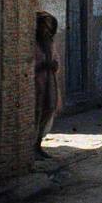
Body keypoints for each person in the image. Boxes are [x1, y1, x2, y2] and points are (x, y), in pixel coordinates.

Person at [34, 12, 61, 153]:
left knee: (49, 109)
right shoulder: (33, 43)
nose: (46, 29)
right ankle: (32, 146)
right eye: (43, 26)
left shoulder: (50, 42)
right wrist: (42, 65)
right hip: (36, 84)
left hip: (50, 82)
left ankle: (38, 143)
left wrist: (54, 65)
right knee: (36, 112)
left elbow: (56, 59)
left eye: (48, 26)